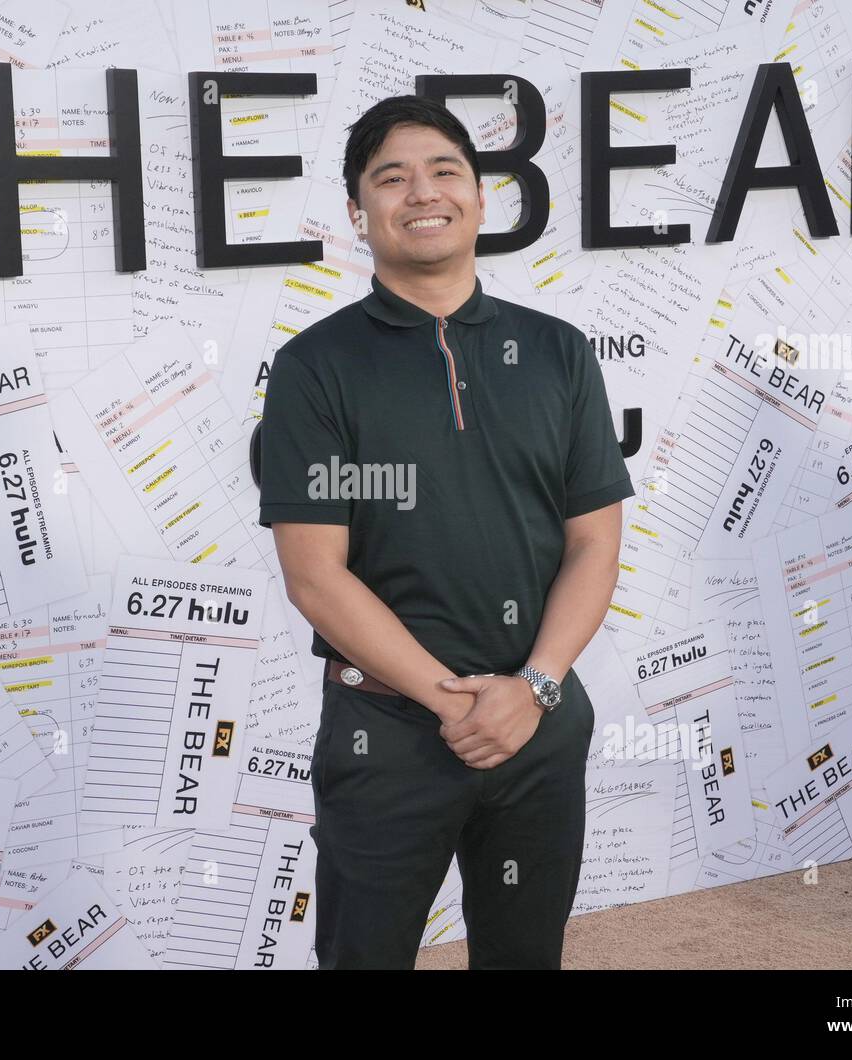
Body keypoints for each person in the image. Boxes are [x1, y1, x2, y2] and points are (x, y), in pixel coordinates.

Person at [257, 94, 633, 969]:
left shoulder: (559, 352)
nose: (421, 193)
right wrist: (453, 703)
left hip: (538, 724)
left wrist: (531, 690)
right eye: (391, 177)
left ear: (480, 196)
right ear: (358, 211)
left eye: (444, 171)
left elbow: (594, 543)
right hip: (386, 737)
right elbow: (316, 576)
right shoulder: (316, 367)